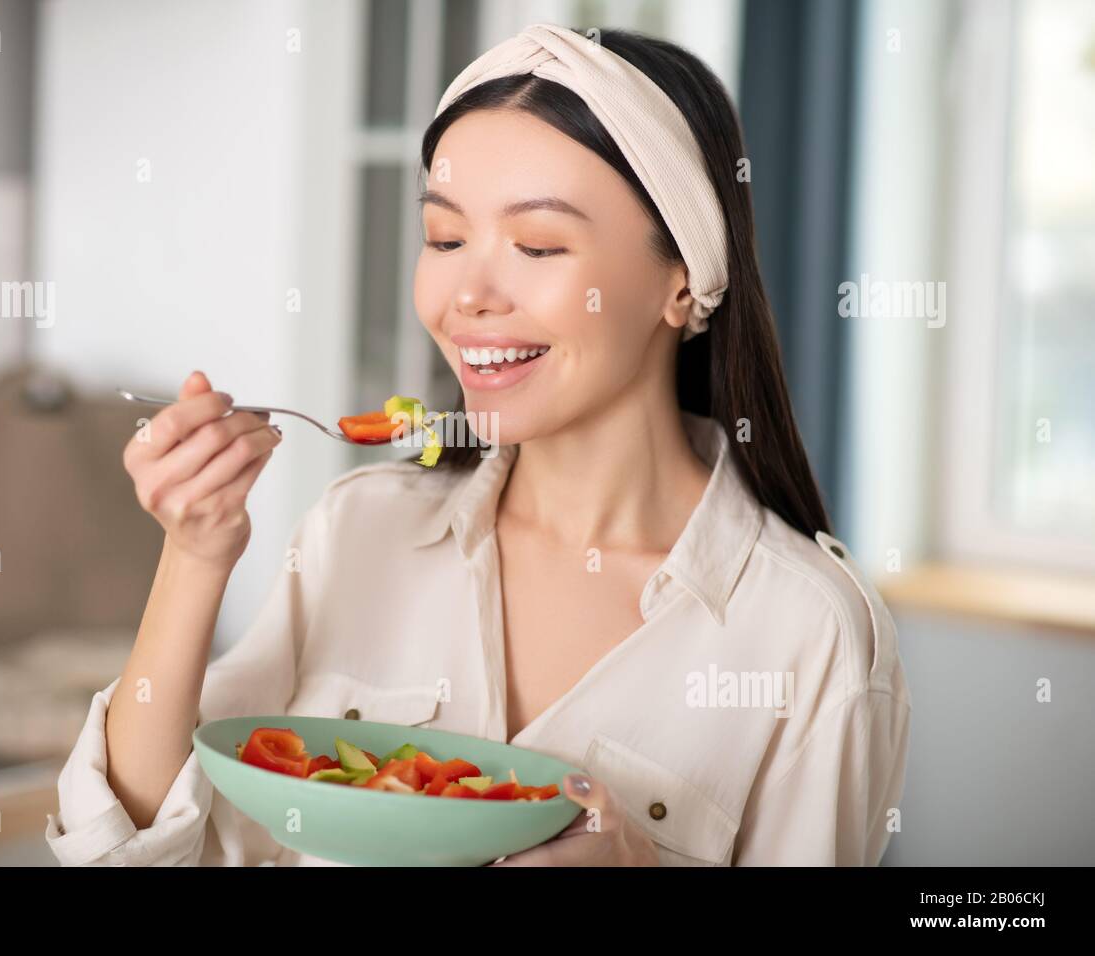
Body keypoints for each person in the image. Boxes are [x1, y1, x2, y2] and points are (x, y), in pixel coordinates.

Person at [46, 24, 910, 867]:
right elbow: (134, 850)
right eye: (445, 238)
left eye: (537, 245)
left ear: (681, 282)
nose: (467, 294)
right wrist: (195, 555)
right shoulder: (358, 531)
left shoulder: (808, 634)